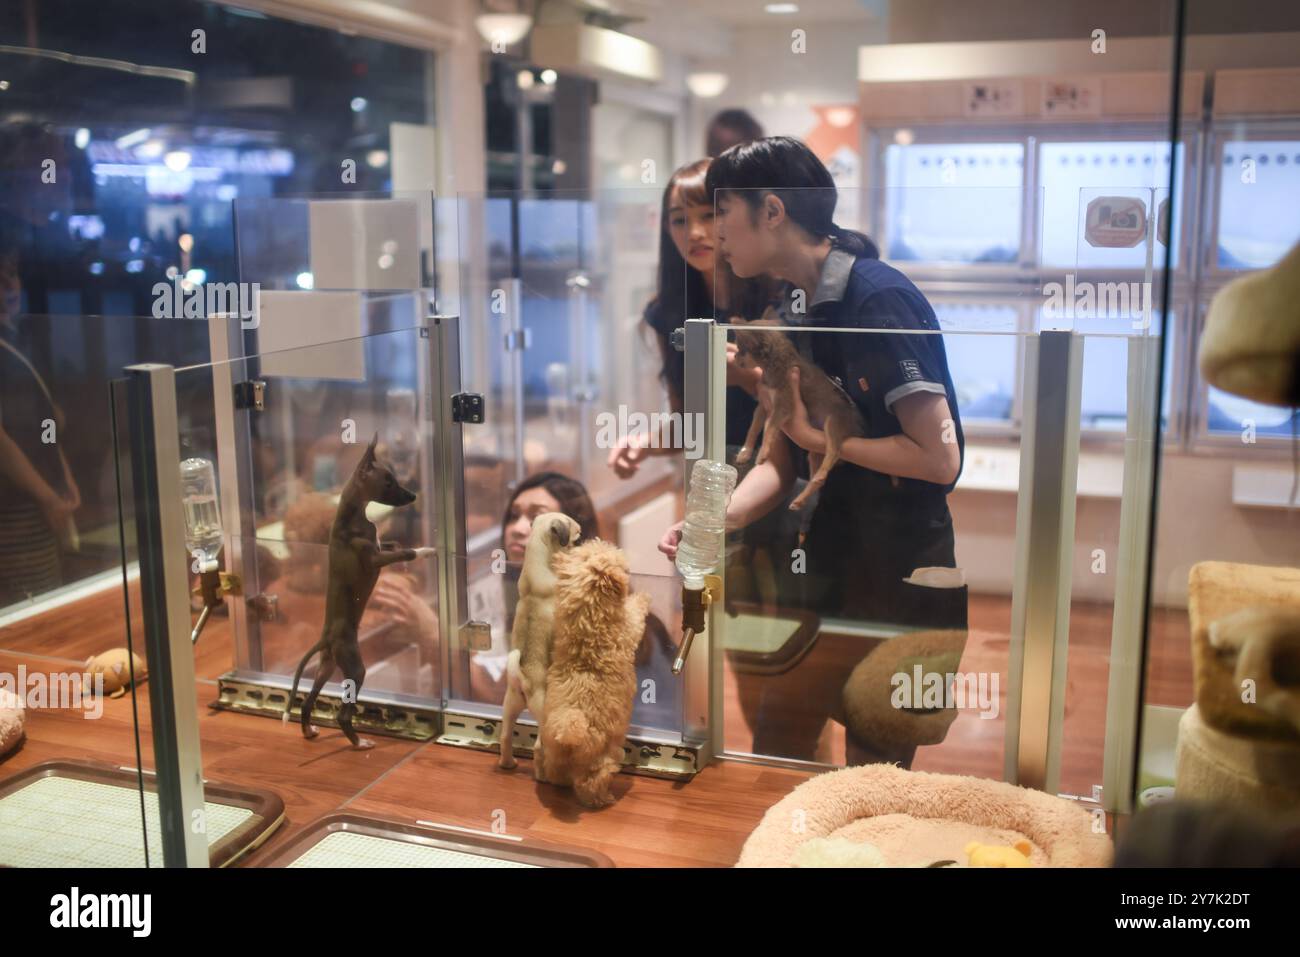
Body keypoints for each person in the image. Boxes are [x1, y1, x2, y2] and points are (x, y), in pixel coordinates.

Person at [661, 136, 969, 762]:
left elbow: (941, 459)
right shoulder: (793, 306)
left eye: (722, 212)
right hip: (827, 569)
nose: (714, 232)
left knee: (875, 767)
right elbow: (781, 464)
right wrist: (714, 519)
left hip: (899, 572)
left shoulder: (877, 297)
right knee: (783, 737)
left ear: (772, 212)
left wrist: (814, 439)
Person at [0, 241, 80, 607]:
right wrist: (49, 494)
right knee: (23, 608)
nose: (10, 287)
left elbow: (50, 420)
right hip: (13, 509)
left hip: (43, 501)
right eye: (0, 280)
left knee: (47, 598)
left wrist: (62, 480)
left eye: (12, 276)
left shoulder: (21, 340)